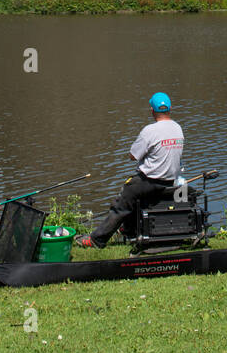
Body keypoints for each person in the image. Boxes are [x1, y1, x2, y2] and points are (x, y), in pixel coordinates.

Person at [78, 92, 184, 248]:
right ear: (170, 109)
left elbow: (133, 156)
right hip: (171, 181)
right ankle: (128, 229)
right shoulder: (178, 128)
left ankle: (97, 240)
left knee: (123, 200)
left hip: (151, 181)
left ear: (152, 110)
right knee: (134, 194)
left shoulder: (150, 130)